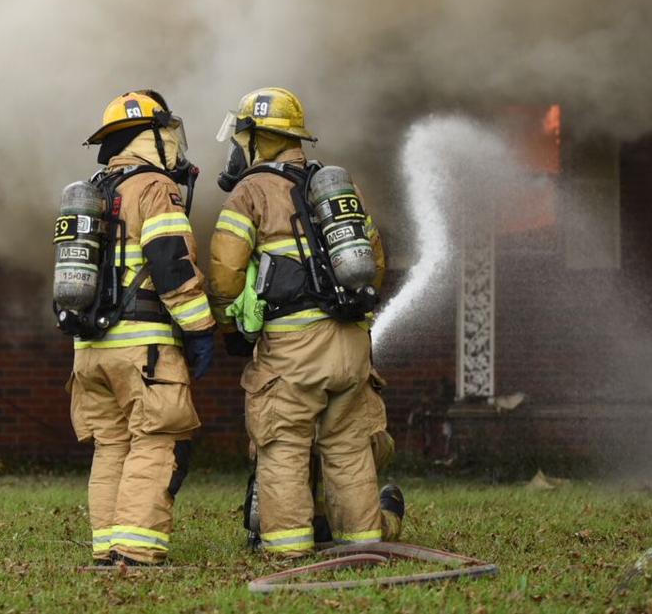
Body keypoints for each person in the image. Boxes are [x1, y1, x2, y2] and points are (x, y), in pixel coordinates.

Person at [208, 87, 403, 559]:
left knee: (284, 445)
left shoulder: (250, 192)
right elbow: (375, 262)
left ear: (259, 137)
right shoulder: (335, 188)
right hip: (350, 343)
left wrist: (232, 328)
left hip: (292, 347)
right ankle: (362, 545)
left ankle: (288, 548)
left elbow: (225, 273)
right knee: (349, 447)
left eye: (243, 137)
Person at [66, 90, 215, 567]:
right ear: (150, 137)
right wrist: (200, 328)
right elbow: (171, 263)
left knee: (111, 446)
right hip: (144, 348)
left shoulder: (95, 190)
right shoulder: (153, 186)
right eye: (168, 134)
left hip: (90, 351)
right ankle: (135, 550)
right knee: (157, 440)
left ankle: (106, 547)